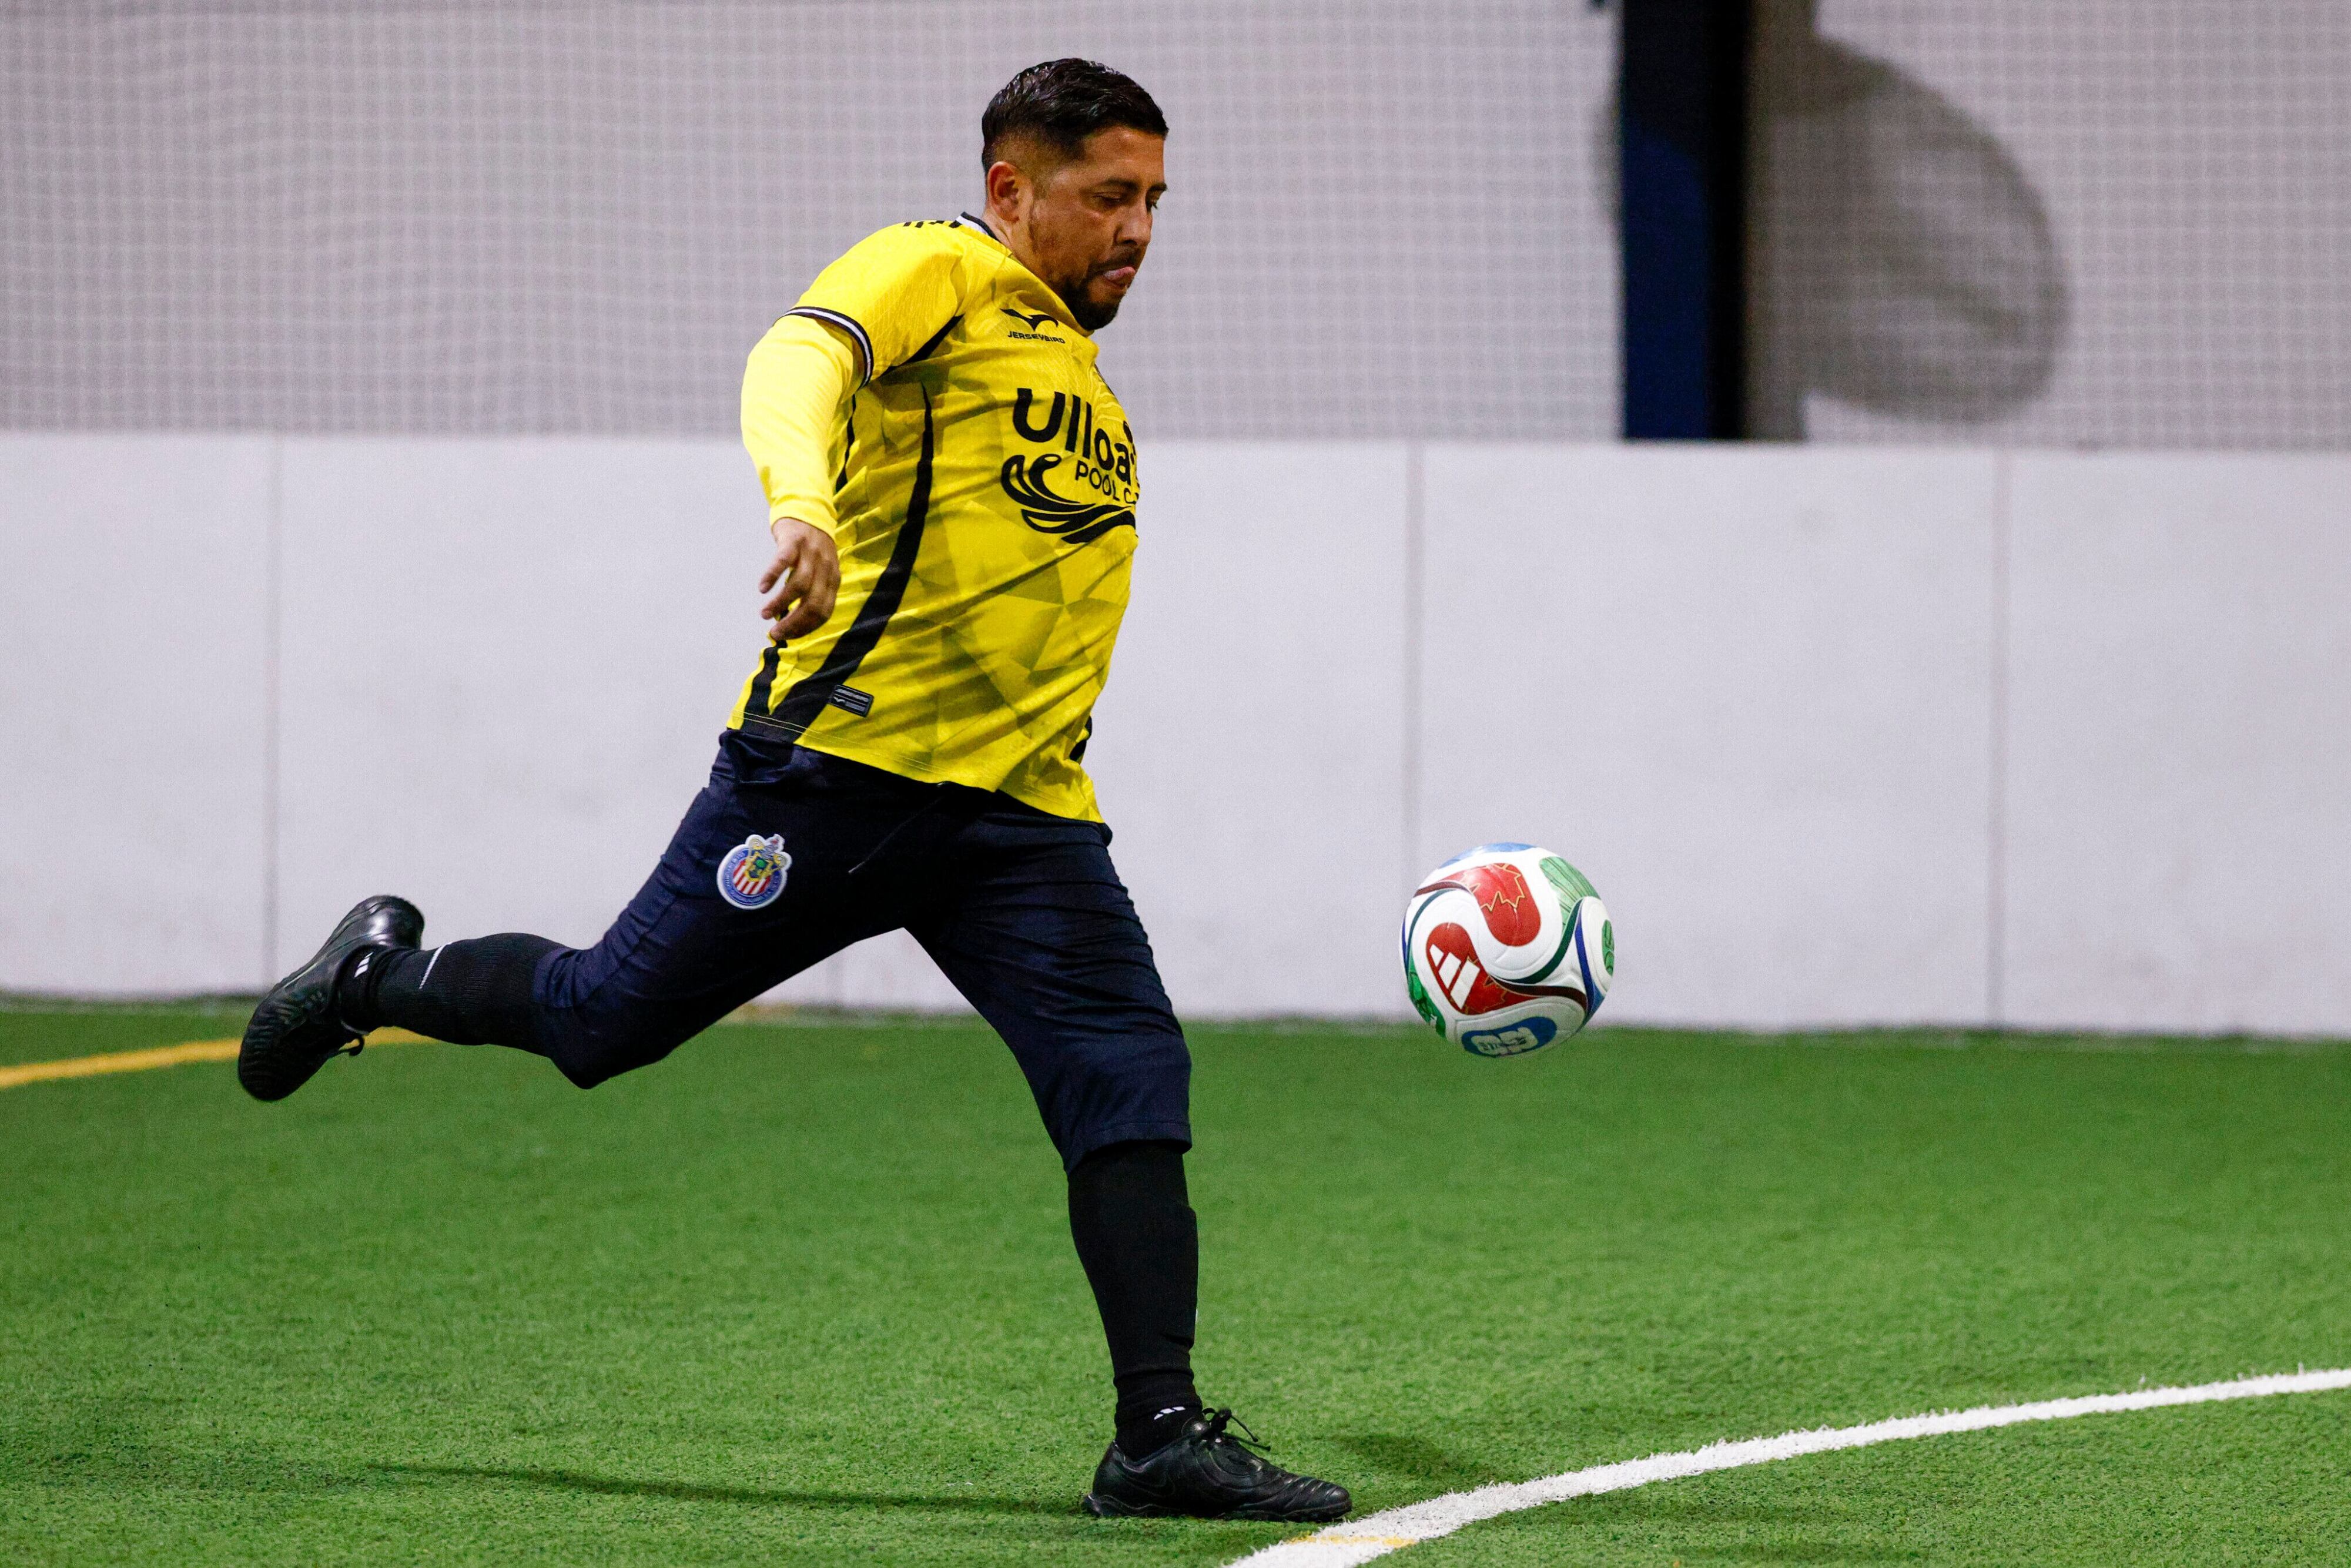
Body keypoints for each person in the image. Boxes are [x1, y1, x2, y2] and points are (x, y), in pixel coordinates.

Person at [236, 58, 1350, 1525]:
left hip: (1019, 815)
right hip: (833, 776)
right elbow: (794, 358)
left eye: (1153, 199)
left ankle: (1156, 1433)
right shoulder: (935, 268)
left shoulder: (1079, 371)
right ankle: (379, 974)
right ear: (1013, 189)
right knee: (597, 1018)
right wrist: (801, 503)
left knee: (1129, 1079)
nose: (1138, 227)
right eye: (1106, 197)